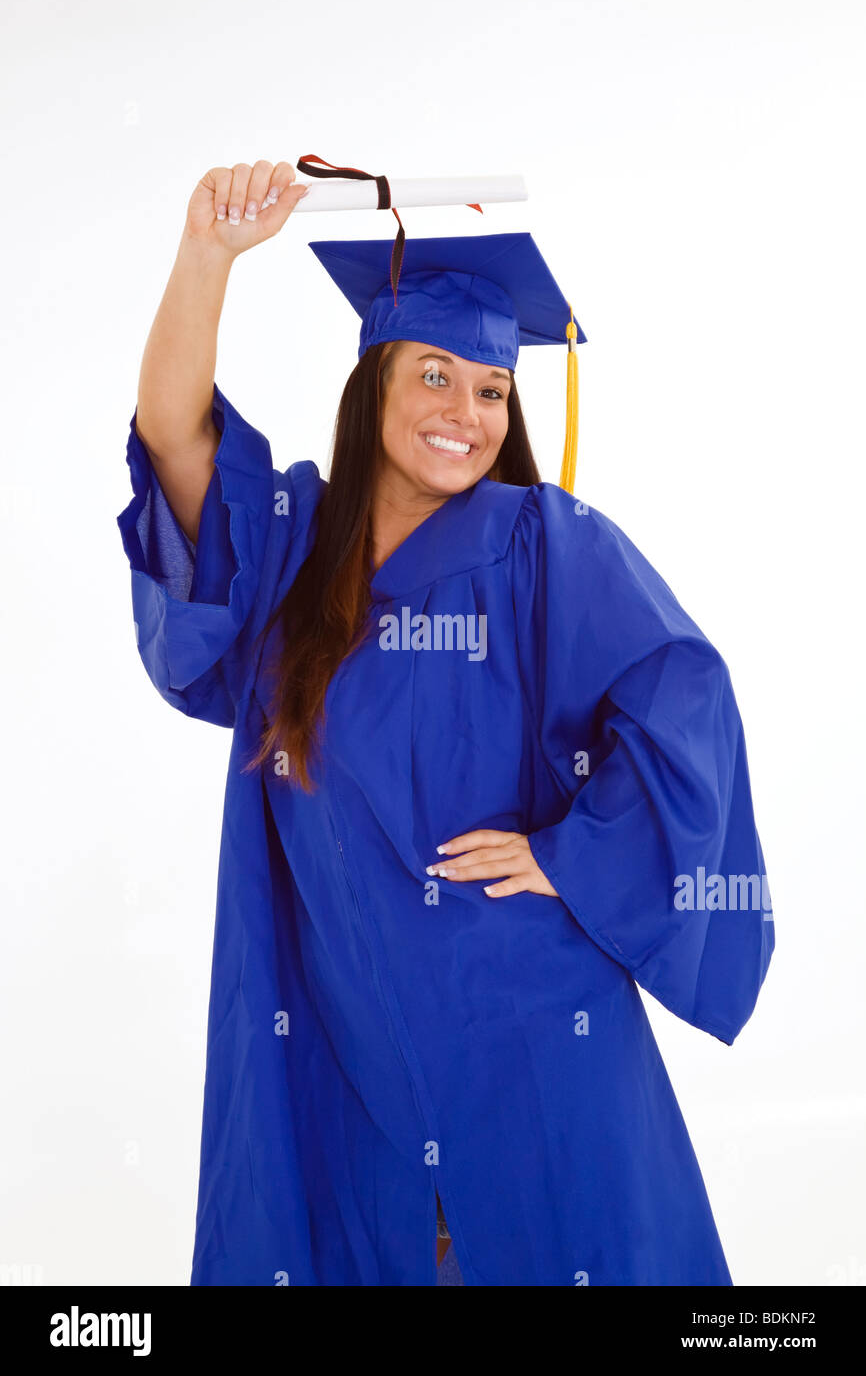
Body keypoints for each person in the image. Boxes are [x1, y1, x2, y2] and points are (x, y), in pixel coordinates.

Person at [118, 159, 775, 1287]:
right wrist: (207, 253)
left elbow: (685, 699)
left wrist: (576, 857)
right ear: (373, 384)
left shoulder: (543, 546)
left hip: (527, 1032)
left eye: (489, 389)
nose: (463, 415)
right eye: (434, 374)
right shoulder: (291, 550)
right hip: (338, 1040)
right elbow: (174, 434)